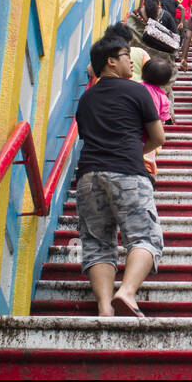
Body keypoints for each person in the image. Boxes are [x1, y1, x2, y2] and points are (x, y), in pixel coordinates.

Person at [74, 35, 166, 318]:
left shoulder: (86, 97)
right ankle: (126, 293)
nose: (131, 60)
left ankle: (104, 307)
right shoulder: (137, 91)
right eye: (126, 55)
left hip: (88, 176)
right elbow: (157, 137)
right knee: (145, 237)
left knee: (97, 243)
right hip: (127, 171)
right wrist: (136, 151)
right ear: (111, 61)